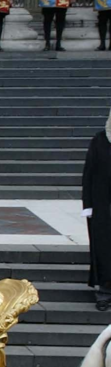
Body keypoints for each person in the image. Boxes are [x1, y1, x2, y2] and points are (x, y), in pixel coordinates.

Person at [83, 106, 111, 310]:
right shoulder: (99, 141)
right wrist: (88, 205)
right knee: (103, 248)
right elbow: (89, 174)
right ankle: (104, 291)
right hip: (103, 207)